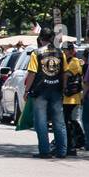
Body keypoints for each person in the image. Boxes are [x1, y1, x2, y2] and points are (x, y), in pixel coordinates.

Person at [24, 27, 67, 158]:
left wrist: (26, 90)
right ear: (52, 39)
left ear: (40, 39)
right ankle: (62, 151)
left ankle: (44, 151)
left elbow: (32, 73)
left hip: (40, 91)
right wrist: (63, 89)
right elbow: (64, 73)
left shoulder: (36, 53)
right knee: (59, 122)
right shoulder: (61, 53)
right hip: (56, 91)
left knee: (41, 122)